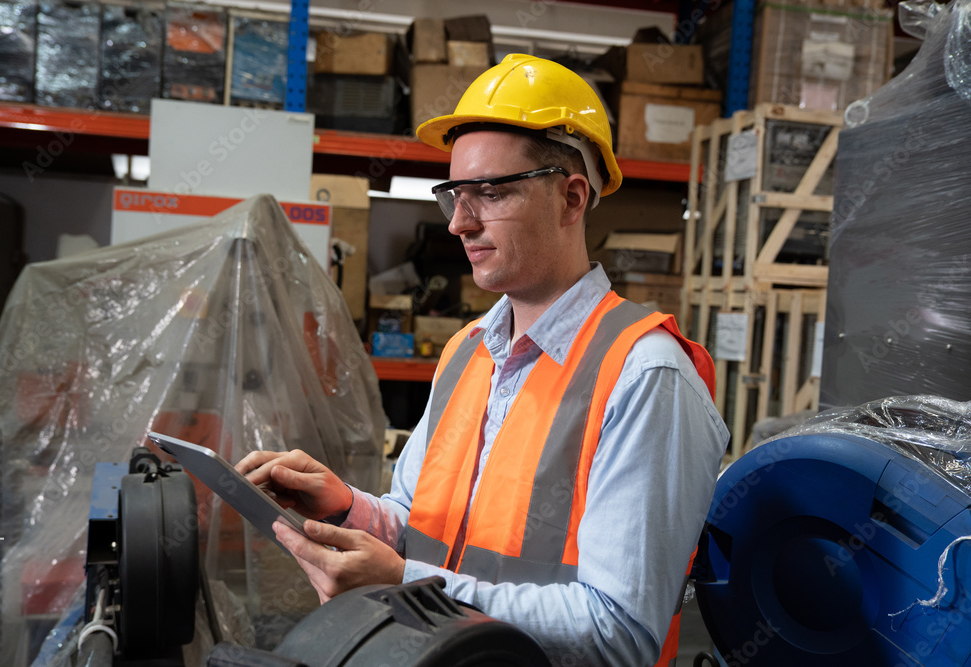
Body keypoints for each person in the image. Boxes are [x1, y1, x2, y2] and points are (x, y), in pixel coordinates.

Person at [237, 54, 729, 666]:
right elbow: (420, 524)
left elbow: (618, 633)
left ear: (572, 198)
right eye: (454, 195)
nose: (460, 224)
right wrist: (348, 507)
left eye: (490, 193)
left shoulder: (644, 375)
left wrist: (402, 583)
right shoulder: (468, 351)